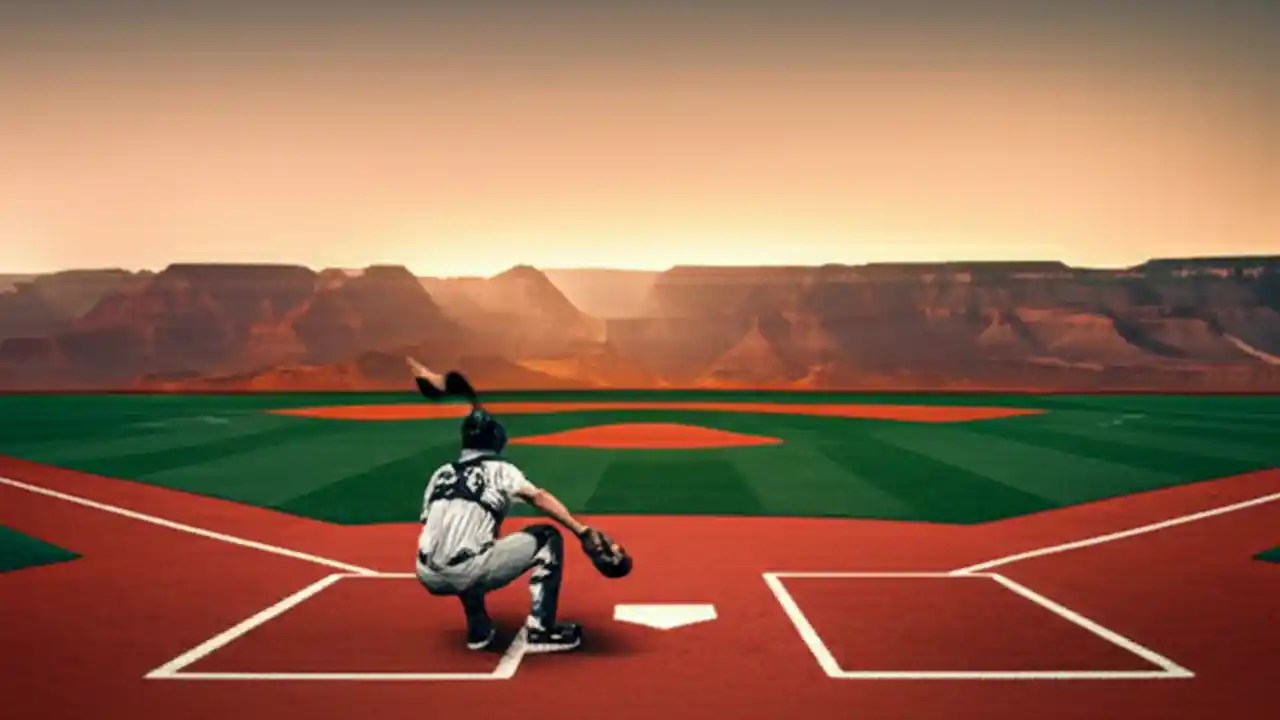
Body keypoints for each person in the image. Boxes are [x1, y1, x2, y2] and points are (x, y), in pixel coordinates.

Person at [415, 405, 591, 653]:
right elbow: (538, 497)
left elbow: (430, 522)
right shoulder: (499, 469)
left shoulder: (441, 474)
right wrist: (581, 530)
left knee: (467, 546)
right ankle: (541, 628)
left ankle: (478, 628)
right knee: (547, 537)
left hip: (426, 573)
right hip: (466, 570)